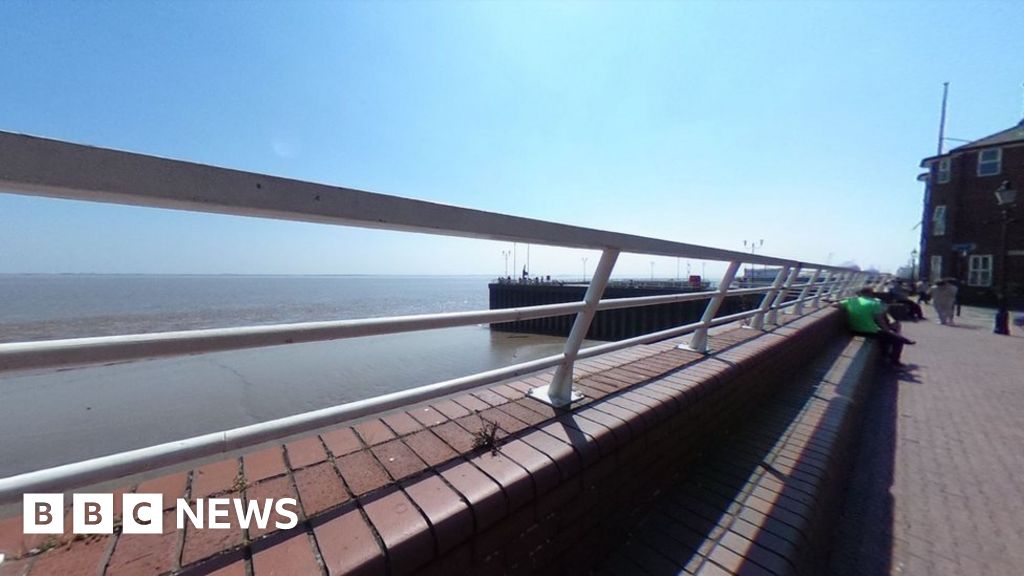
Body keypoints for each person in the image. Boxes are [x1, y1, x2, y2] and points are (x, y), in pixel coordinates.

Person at [838, 287, 915, 365]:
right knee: (897, 341)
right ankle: (895, 362)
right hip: (869, 331)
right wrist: (887, 330)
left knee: (886, 337)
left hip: (854, 329)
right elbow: (880, 320)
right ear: (871, 293)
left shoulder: (850, 301)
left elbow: (836, 304)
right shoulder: (875, 303)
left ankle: (887, 354)